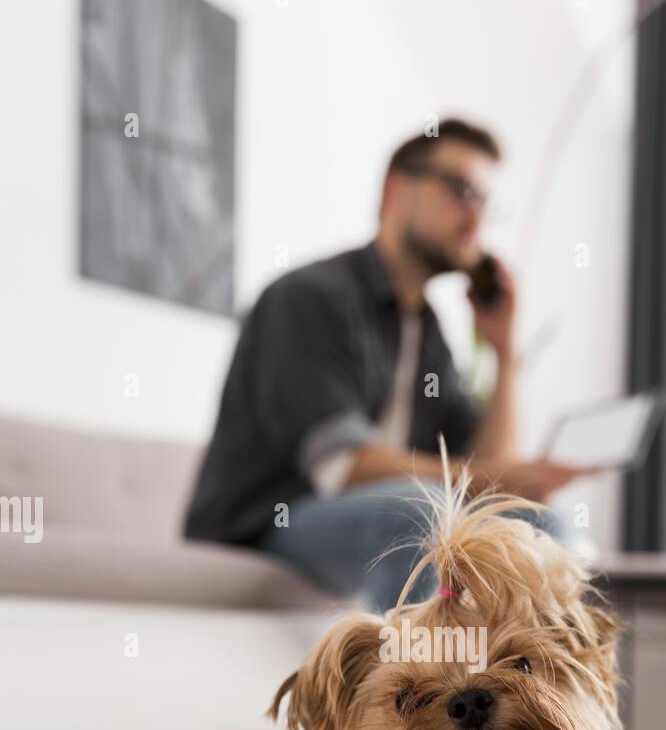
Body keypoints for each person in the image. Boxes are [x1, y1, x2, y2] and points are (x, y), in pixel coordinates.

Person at [184, 118, 589, 611]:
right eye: (462, 191)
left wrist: (503, 354)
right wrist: (489, 480)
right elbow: (343, 468)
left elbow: (491, 472)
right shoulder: (309, 299)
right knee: (420, 515)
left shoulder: (427, 331)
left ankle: (535, 689)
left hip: (365, 515)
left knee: (544, 527)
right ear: (396, 190)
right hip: (266, 523)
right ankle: (417, 690)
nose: (476, 219)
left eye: (486, 202)